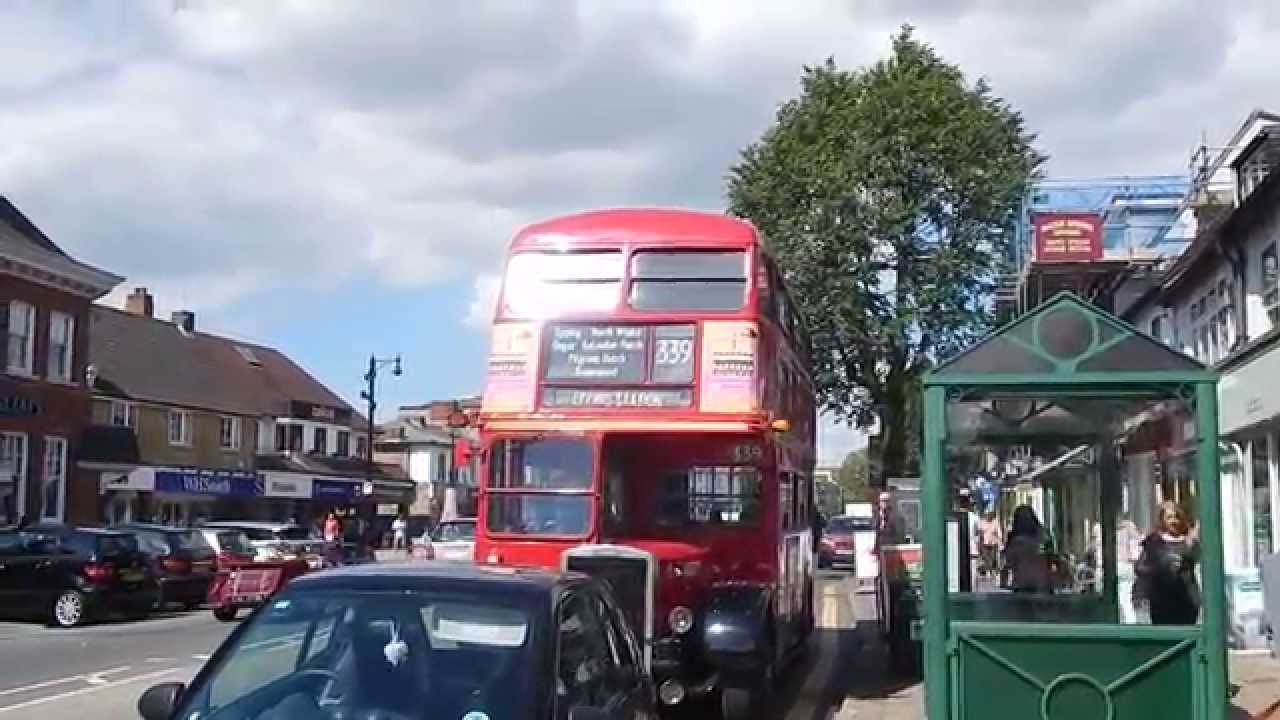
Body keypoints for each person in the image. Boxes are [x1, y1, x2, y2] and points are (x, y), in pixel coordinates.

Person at [1135, 501, 1201, 625]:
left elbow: (1197, 560)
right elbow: (1140, 568)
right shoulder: (1154, 541)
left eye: (1176, 517)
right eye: (1169, 517)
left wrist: (1189, 548)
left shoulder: (1189, 541)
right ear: (1162, 520)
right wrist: (1162, 567)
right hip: (1161, 599)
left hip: (1186, 600)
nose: (1174, 521)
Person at [1001, 505, 1052, 594]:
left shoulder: (1014, 540)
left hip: (1021, 584)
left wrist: (1004, 581)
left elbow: (1009, 562)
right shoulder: (1043, 536)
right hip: (1042, 584)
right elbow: (1051, 557)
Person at [979, 511, 1003, 579]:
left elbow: (999, 533)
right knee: (986, 557)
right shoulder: (982, 522)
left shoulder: (995, 522)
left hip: (993, 543)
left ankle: (990, 571)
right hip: (984, 543)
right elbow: (980, 532)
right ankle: (988, 571)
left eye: (991, 515)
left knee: (992, 558)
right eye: (988, 514)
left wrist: (999, 541)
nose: (989, 516)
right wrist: (979, 543)